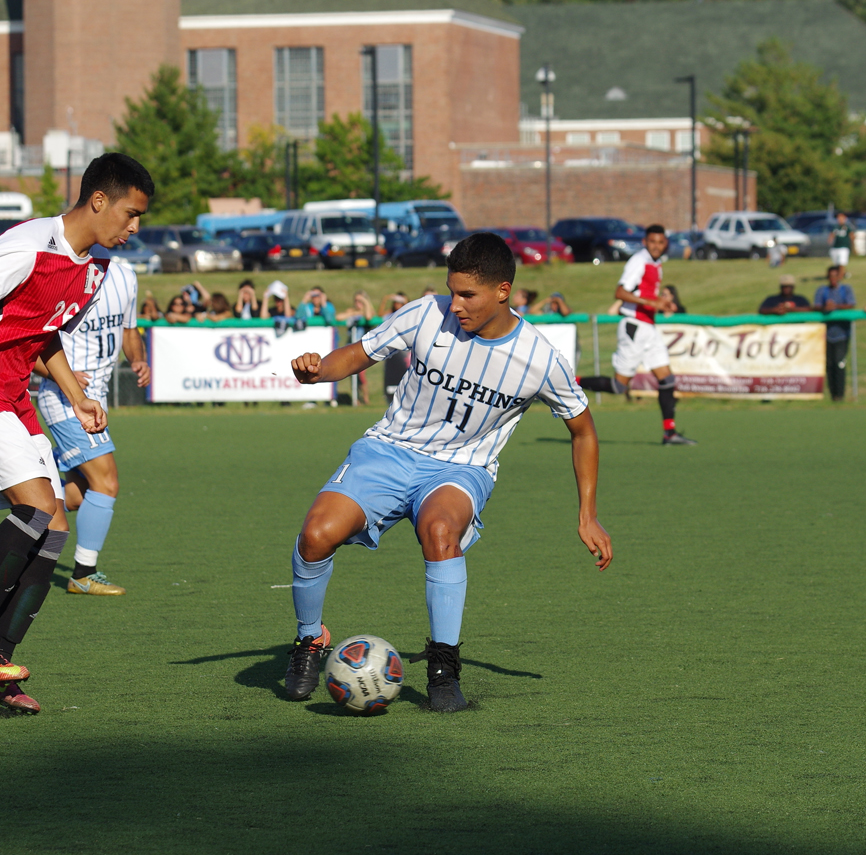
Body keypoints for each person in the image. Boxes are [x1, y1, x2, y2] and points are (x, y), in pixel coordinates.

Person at [282, 231, 613, 712]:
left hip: (462, 468)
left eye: (467, 295)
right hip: (388, 450)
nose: (454, 304)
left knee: (439, 530)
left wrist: (588, 514)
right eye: (451, 291)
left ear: (503, 291)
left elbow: (583, 431)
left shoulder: (541, 360)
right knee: (315, 535)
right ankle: (310, 640)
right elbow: (358, 354)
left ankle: (443, 666)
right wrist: (318, 371)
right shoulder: (424, 313)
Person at [0, 152, 151, 713]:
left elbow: (45, 334)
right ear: (98, 201)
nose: (134, 227)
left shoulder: (97, 266)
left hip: (13, 392)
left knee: (53, 527)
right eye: (130, 213)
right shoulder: (29, 245)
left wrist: (77, 397)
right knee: (36, 508)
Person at [38, 253, 150, 596]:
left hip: (95, 403)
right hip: (65, 400)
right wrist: (62, 375)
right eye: (126, 223)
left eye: (136, 224)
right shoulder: (61, 273)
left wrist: (138, 359)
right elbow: (30, 342)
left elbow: (128, 331)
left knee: (77, 496)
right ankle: (83, 574)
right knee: (107, 482)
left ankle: (3, 486)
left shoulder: (126, 275)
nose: (132, 229)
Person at [575, 225, 695, 445]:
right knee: (619, 386)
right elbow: (620, 292)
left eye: (661, 242)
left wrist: (661, 303)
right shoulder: (638, 261)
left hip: (648, 327)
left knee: (667, 380)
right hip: (634, 327)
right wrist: (652, 302)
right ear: (645, 242)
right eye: (652, 242)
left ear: (665, 244)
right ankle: (572, 380)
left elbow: (645, 294)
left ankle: (670, 433)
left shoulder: (656, 263)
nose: (656, 246)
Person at [814, 263, 856, 401]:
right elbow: (816, 306)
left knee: (839, 363)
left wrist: (836, 306)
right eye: (830, 276)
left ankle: (840, 394)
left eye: (835, 276)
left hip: (842, 333)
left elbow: (851, 304)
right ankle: (832, 394)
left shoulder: (846, 289)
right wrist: (825, 307)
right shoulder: (822, 290)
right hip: (826, 334)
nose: (833, 279)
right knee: (829, 364)